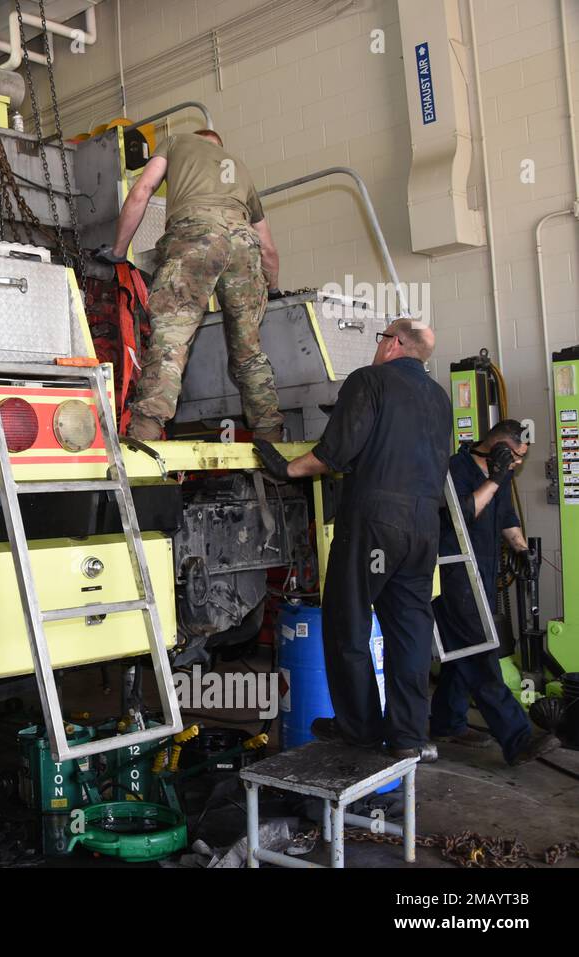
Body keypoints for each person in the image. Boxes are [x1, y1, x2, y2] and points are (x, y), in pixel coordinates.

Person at [253, 320, 450, 761]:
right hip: (424, 526)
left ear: (394, 343)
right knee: (411, 630)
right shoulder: (439, 396)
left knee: (349, 620)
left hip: (377, 522)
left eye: (382, 338)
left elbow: (334, 452)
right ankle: (407, 736)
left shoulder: (370, 379)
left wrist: (286, 468)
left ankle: (358, 729)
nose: (378, 345)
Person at [96, 129, 283, 443]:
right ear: (219, 147)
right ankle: (270, 434)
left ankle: (147, 433)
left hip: (197, 236)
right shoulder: (240, 167)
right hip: (244, 244)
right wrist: (274, 289)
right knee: (249, 351)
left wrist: (117, 252)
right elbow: (269, 249)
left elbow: (142, 191)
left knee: (171, 340)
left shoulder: (176, 141)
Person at [431, 420, 561, 765]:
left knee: (463, 653)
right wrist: (496, 478)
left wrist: (521, 550)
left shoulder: (499, 474)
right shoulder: (453, 470)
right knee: (480, 652)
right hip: (453, 572)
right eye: (515, 457)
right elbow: (464, 512)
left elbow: (505, 516)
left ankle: (446, 722)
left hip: (482, 572)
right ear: (501, 447)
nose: (517, 464)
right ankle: (517, 739)